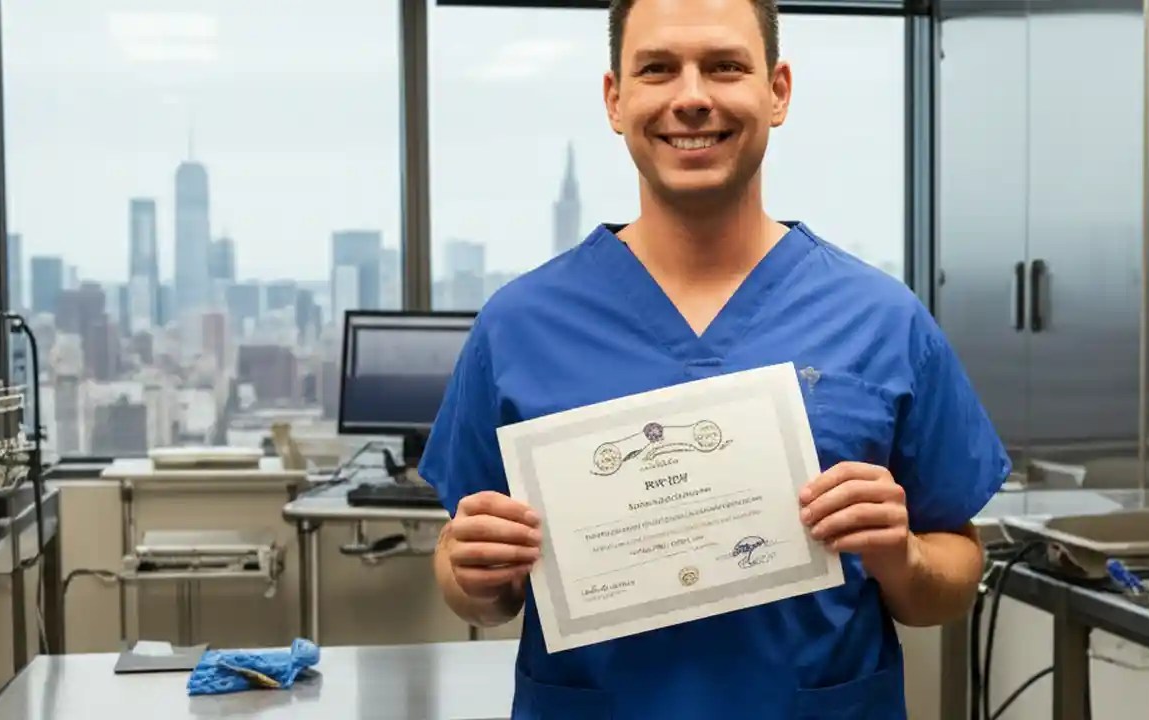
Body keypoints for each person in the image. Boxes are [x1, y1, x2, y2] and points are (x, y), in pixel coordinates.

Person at [420, 0, 1010, 716]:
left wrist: (904, 560)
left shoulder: (883, 321)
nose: (692, 98)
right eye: (658, 69)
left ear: (778, 90)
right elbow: (468, 577)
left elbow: (953, 567)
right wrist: (475, 576)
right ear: (615, 98)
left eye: (725, 66)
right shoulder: (517, 328)